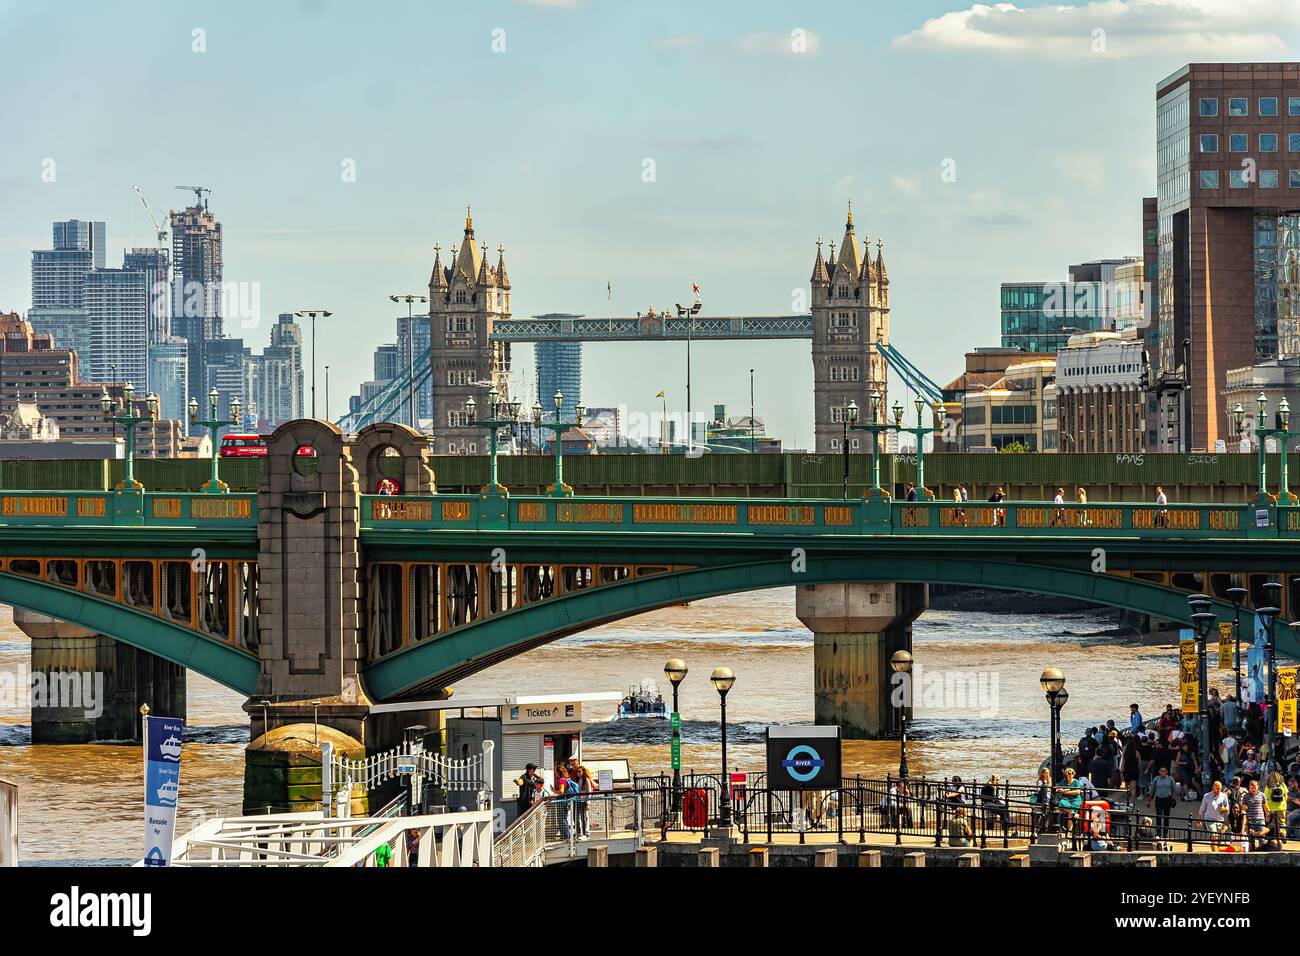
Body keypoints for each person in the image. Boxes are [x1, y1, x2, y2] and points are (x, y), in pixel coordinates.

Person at [1197, 780, 1230, 847]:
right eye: (1217, 788)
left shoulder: (1224, 796)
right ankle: (1214, 853)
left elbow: (1227, 808)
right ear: (1213, 787)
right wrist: (1199, 819)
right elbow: (1202, 809)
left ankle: (1218, 854)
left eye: (1220, 788)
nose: (1219, 790)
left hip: (1220, 820)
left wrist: (1224, 809)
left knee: (1220, 839)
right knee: (1214, 836)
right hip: (1209, 820)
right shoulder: (1206, 796)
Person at [1148, 765, 1178, 837]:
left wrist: (1173, 799)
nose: (1163, 772)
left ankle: (1165, 833)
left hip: (1167, 799)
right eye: (1161, 771)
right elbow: (1153, 790)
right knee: (1158, 815)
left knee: (1166, 817)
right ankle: (1159, 832)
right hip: (1158, 799)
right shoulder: (1156, 779)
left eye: (1164, 771)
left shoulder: (1170, 779)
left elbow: (1174, 790)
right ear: (1159, 772)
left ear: (1166, 772)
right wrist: (1149, 799)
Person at [1263, 770, 1288, 849]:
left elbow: (1265, 798)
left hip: (1271, 807)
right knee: (1282, 822)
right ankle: (1282, 834)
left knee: (1271, 824)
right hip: (1281, 807)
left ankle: (1271, 840)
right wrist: (1284, 803)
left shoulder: (1268, 786)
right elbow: (1286, 795)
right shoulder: (1282, 784)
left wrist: (1267, 809)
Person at [1242, 779, 1269, 849]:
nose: (1253, 789)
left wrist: (1268, 814)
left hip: (1260, 819)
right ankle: (1252, 852)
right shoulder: (1246, 796)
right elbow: (1243, 808)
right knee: (1251, 839)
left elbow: (1265, 807)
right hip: (1250, 821)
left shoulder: (1262, 795)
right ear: (1249, 788)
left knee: (1262, 838)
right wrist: (1243, 814)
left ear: (1257, 787)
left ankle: (1262, 852)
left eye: (1254, 788)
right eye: (1251, 788)